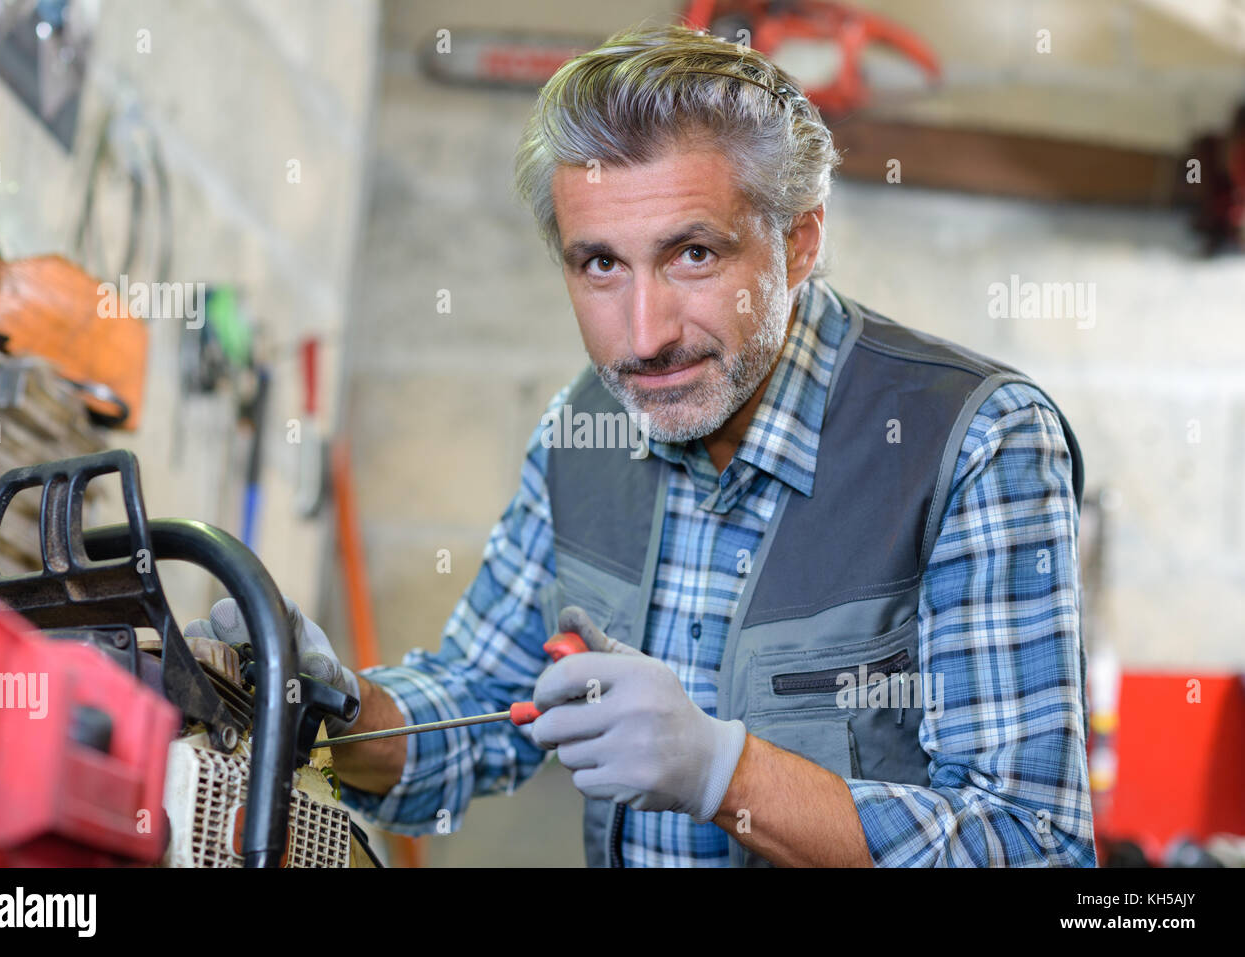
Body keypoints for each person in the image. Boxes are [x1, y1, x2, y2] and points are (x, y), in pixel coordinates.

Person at [188, 24, 1093, 867]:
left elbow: (1035, 843)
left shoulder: (976, 443)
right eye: (600, 265)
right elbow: (486, 701)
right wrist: (333, 707)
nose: (644, 335)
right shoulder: (584, 428)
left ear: (802, 238)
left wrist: (726, 777)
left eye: (693, 253)